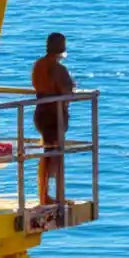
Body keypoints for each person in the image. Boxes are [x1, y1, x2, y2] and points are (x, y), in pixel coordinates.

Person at [32, 32, 76, 205]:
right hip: (53, 114)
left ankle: (45, 194)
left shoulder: (39, 64)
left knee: (48, 153)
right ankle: (53, 196)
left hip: (41, 112)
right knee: (55, 155)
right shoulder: (57, 68)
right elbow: (66, 89)